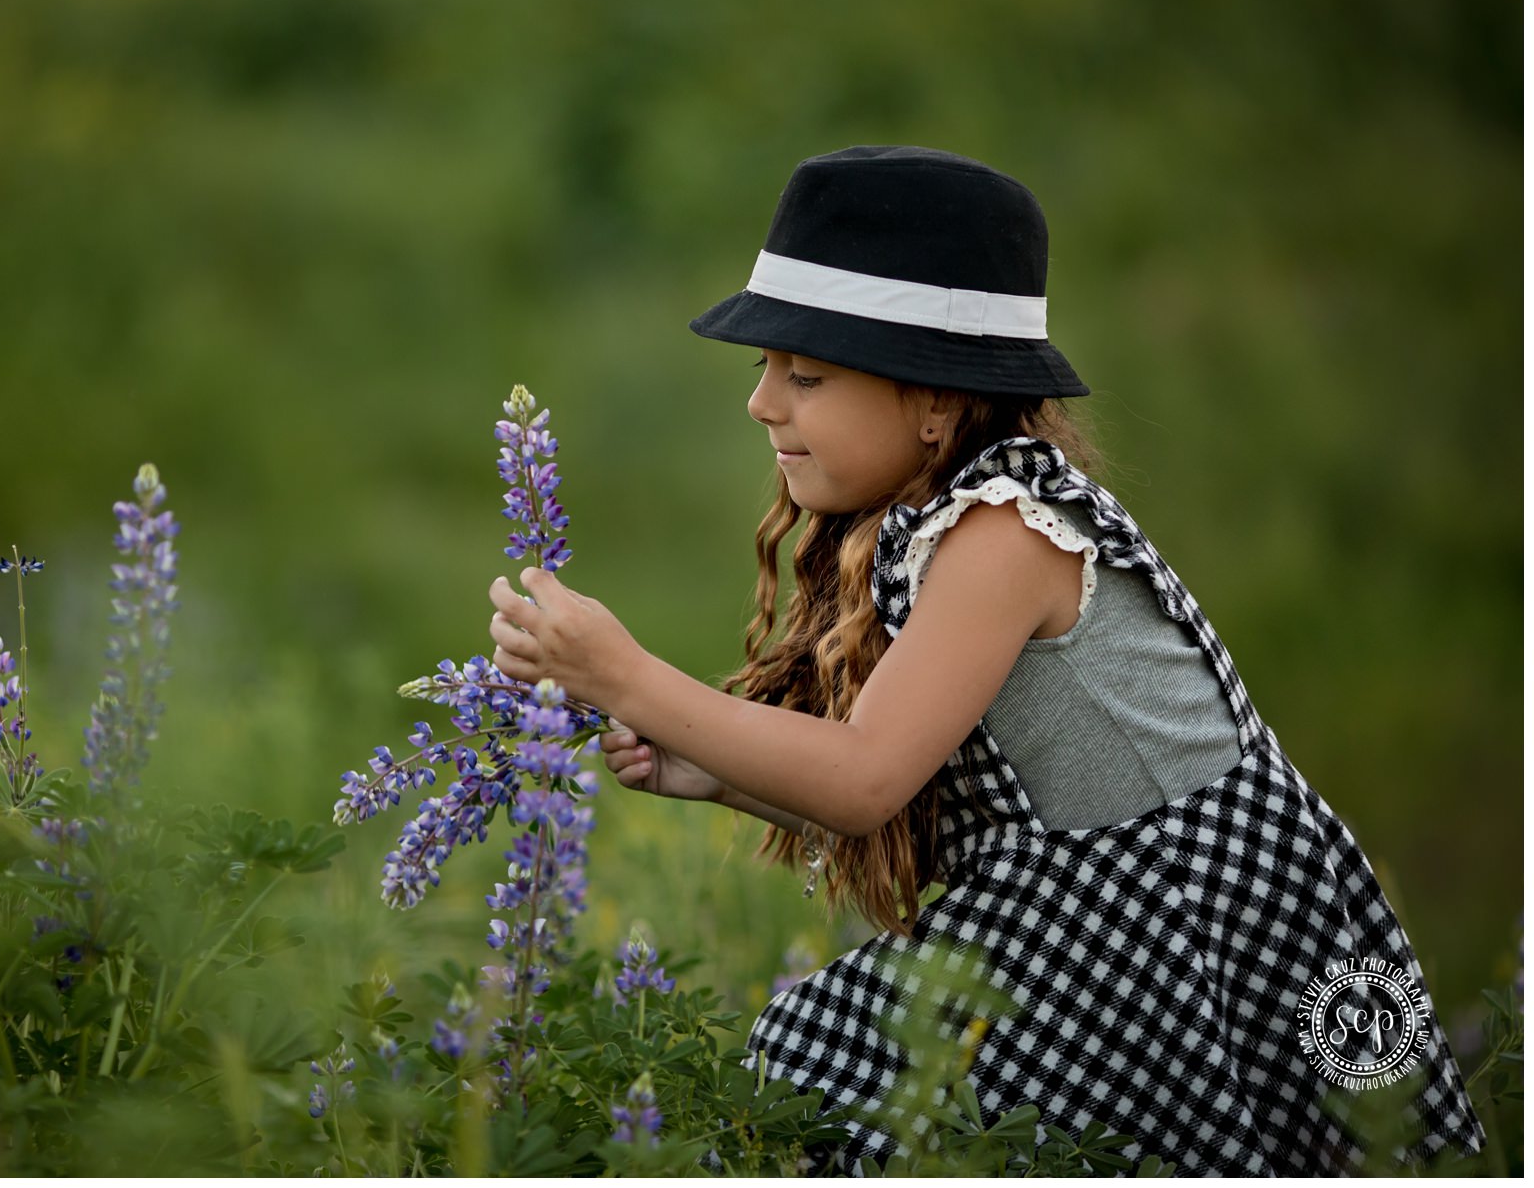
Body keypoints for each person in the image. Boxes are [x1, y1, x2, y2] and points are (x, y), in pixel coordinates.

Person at [484, 146, 1487, 1174]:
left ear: (934, 400)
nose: (764, 403)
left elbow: (865, 780)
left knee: (833, 1079)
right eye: (765, 370)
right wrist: (711, 771)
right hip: (1089, 914)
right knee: (855, 1083)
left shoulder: (1007, 533)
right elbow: (938, 802)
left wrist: (625, 674)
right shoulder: (935, 521)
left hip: (1189, 921)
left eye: (807, 375)